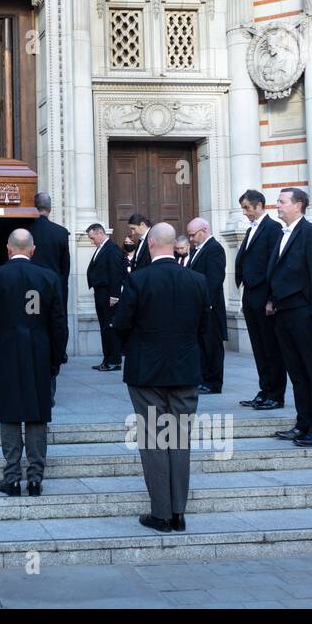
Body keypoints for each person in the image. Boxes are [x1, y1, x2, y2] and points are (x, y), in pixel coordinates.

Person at [111, 222, 209, 533]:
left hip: (146, 373)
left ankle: (161, 514)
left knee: (154, 441)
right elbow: (206, 328)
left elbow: (122, 323)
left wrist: (132, 347)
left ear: (151, 244)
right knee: (179, 440)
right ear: (171, 244)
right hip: (185, 370)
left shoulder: (138, 279)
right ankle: (178, 512)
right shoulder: (197, 280)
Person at [0, 229, 68, 497]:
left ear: (8, 249)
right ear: (32, 249)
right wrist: (56, 358)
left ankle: (13, 477)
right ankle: (36, 478)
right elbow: (58, 324)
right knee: (38, 413)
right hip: (39, 353)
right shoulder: (49, 278)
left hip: (6, 353)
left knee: (10, 412)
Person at [266, 187, 312, 447]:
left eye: (282, 201)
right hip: (285, 313)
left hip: (306, 313)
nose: (277, 205)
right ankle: (303, 423)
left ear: (298, 205)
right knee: (296, 372)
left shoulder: (311, 233)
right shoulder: (282, 233)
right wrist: (272, 299)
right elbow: (279, 272)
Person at [235, 190, 286, 411]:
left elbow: (276, 265)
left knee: (271, 347)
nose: (245, 212)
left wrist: (272, 298)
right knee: (258, 346)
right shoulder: (251, 229)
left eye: (247, 208)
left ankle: (276, 394)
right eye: (243, 208)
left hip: (264, 296)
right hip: (251, 295)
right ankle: (265, 390)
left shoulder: (273, 228)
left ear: (259, 205)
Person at [186, 217, 227, 395]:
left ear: (204, 230)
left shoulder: (214, 249)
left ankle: (213, 382)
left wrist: (206, 305)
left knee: (212, 347)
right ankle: (203, 379)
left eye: (192, 235)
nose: (191, 239)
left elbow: (214, 281)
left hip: (210, 308)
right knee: (202, 346)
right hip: (199, 308)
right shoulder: (198, 250)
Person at [84, 222, 125, 372]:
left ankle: (113, 361)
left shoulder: (112, 249)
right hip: (101, 294)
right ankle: (107, 359)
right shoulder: (102, 248)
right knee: (104, 328)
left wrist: (114, 295)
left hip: (108, 295)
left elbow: (116, 274)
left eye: (92, 238)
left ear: (100, 233)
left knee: (110, 328)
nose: (91, 241)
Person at [28, 192, 71, 308]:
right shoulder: (61, 232)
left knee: (34, 320)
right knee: (54, 322)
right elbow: (65, 266)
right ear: (50, 209)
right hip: (54, 287)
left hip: (31, 289)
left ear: (34, 207)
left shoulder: (25, 230)